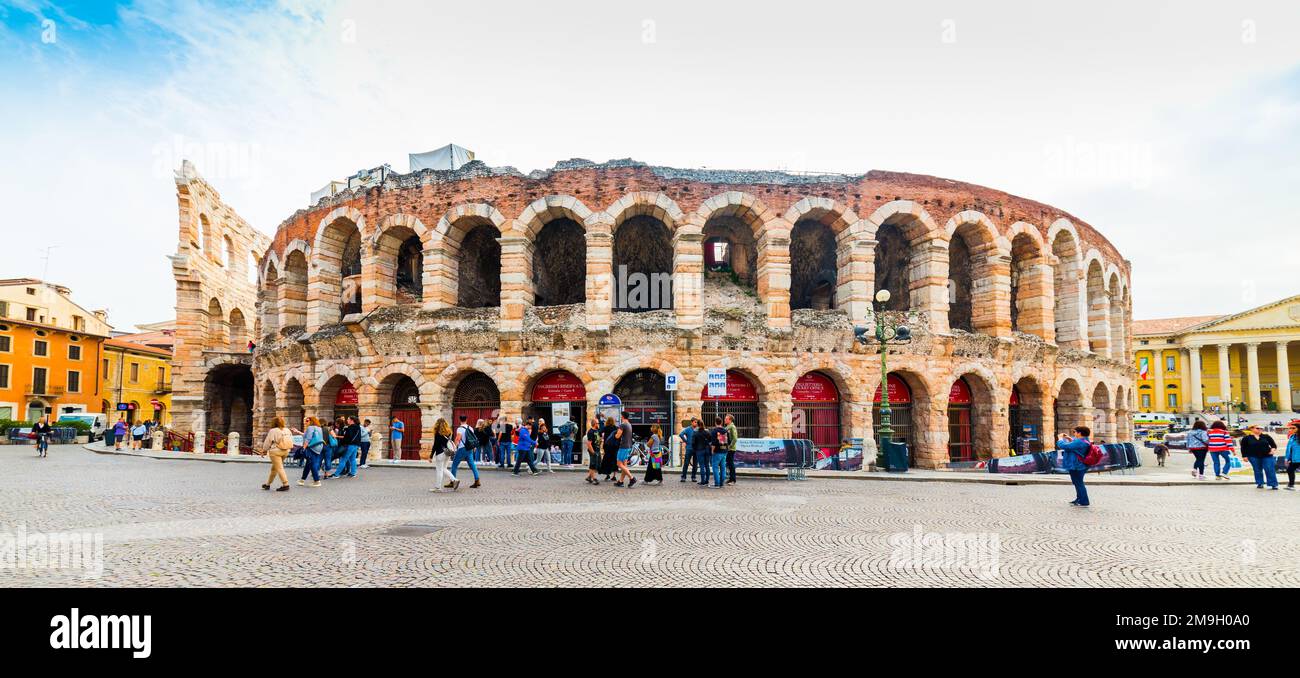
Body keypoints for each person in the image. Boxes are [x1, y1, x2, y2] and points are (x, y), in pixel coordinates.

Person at [1055, 426, 1093, 507]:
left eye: (1074, 432)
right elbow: (1075, 446)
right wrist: (1070, 439)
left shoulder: (1080, 441)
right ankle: (1079, 498)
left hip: (1077, 465)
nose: (1074, 434)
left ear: (1079, 433)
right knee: (1077, 482)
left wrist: (1060, 439)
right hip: (1079, 464)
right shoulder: (1084, 440)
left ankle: (1084, 501)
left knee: (1079, 483)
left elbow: (1065, 446)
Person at [259, 417, 294, 492]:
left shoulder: (273, 430)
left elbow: (268, 442)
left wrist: (264, 450)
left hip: (275, 451)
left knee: (279, 468)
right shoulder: (287, 430)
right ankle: (267, 484)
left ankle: (285, 484)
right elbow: (291, 439)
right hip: (286, 450)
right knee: (274, 468)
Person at [1239, 424, 1279, 490]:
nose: (1260, 429)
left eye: (1261, 428)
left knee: (1269, 469)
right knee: (1257, 470)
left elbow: (1273, 445)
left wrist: (1272, 450)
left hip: (1267, 455)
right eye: (1257, 428)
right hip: (1253, 456)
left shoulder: (1266, 436)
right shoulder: (1246, 438)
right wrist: (1244, 456)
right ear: (1251, 429)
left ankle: (1273, 484)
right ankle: (1260, 483)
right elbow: (1243, 448)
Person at [449, 416, 483, 489]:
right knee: (472, 464)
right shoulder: (470, 428)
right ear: (466, 419)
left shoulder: (460, 429)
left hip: (462, 448)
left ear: (459, 420)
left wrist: (454, 447)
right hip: (469, 448)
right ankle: (477, 480)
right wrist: (474, 447)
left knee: (454, 465)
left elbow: (458, 438)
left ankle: (453, 481)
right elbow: (472, 439)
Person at [429, 418, 458, 492]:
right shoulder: (449, 432)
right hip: (447, 453)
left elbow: (435, 445)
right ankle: (454, 479)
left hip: (440, 454)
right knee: (444, 469)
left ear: (437, 424)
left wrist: (431, 456)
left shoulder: (438, 433)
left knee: (439, 470)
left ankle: (438, 488)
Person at [297, 416, 323, 487]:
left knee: (312, 464)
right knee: (308, 464)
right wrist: (297, 432)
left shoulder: (310, 428)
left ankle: (317, 481)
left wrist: (304, 448)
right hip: (318, 447)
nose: (305, 422)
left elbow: (308, 438)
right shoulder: (319, 428)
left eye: (307, 420)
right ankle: (302, 480)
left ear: (312, 421)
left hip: (312, 447)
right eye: (305, 420)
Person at [614, 410, 637, 488]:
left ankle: (632, 478)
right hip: (628, 446)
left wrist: (615, 434)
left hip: (623, 446)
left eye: (621, 416)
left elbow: (617, 436)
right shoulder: (629, 424)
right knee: (624, 465)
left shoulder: (623, 425)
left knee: (619, 464)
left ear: (623, 416)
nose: (620, 417)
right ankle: (620, 481)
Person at [691, 417, 713, 486]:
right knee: (707, 465)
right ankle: (707, 480)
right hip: (707, 450)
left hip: (699, 450)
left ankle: (703, 481)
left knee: (702, 466)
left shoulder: (696, 433)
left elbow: (693, 443)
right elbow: (710, 440)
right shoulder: (707, 432)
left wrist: (695, 449)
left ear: (698, 425)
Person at [709, 417, 730, 488]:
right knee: (723, 467)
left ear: (715, 422)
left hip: (717, 451)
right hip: (724, 451)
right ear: (721, 422)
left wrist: (712, 451)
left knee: (715, 467)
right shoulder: (725, 431)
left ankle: (717, 484)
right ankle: (722, 483)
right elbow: (729, 441)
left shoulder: (714, 431)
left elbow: (714, 443)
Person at [599, 416, 620, 481]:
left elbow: (599, 432)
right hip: (615, 446)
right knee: (614, 460)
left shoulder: (605, 428)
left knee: (607, 459)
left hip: (607, 446)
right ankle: (614, 476)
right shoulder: (616, 428)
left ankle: (607, 475)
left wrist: (602, 437)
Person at [584, 418, 602, 485]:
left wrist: (601, 440)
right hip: (593, 450)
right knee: (593, 464)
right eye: (598, 423)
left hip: (597, 449)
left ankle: (589, 477)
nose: (598, 424)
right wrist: (593, 452)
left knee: (597, 463)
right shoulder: (590, 432)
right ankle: (594, 478)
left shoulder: (597, 430)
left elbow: (599, 439)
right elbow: (589, 443)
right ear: (594, 424)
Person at [724, 413, 739, 485]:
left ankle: (733, 480)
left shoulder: (732, 427)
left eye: (726, 419)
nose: (725, 420)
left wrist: (730, 447)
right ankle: (730, 479)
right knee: (729, 464)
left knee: (731, 464)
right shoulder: (728, 426)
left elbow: (735, 438)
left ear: (730, 420)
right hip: (728, 448)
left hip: (731, 449)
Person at [1285, 421, 1300, 491]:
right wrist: (1287, 458)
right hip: (1294, 458)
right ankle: (1291, 485)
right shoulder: (1292, 437)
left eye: (1293, 428)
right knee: (1290, 470)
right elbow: (1289, 448)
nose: (1291, 429)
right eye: (1290, 428)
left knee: (1290, 469)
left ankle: (1291, 484)